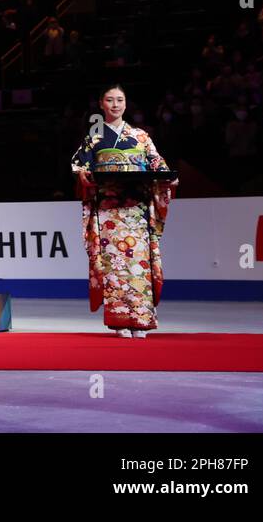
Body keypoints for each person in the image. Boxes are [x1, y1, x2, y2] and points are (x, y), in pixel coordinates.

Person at [70, 84, 178, 337]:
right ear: (101, 104)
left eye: (120, 100)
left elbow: (158, 164)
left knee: (138, 264)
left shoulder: (140, 136)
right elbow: (78, 165)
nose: (115, 104)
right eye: (110, 100)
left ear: (126, 104)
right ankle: (119, 321)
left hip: (135, 208)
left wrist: (170, 179)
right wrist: (84, 176)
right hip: (109, 211)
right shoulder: (94, 137)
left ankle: (141, 319)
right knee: (114, 266)